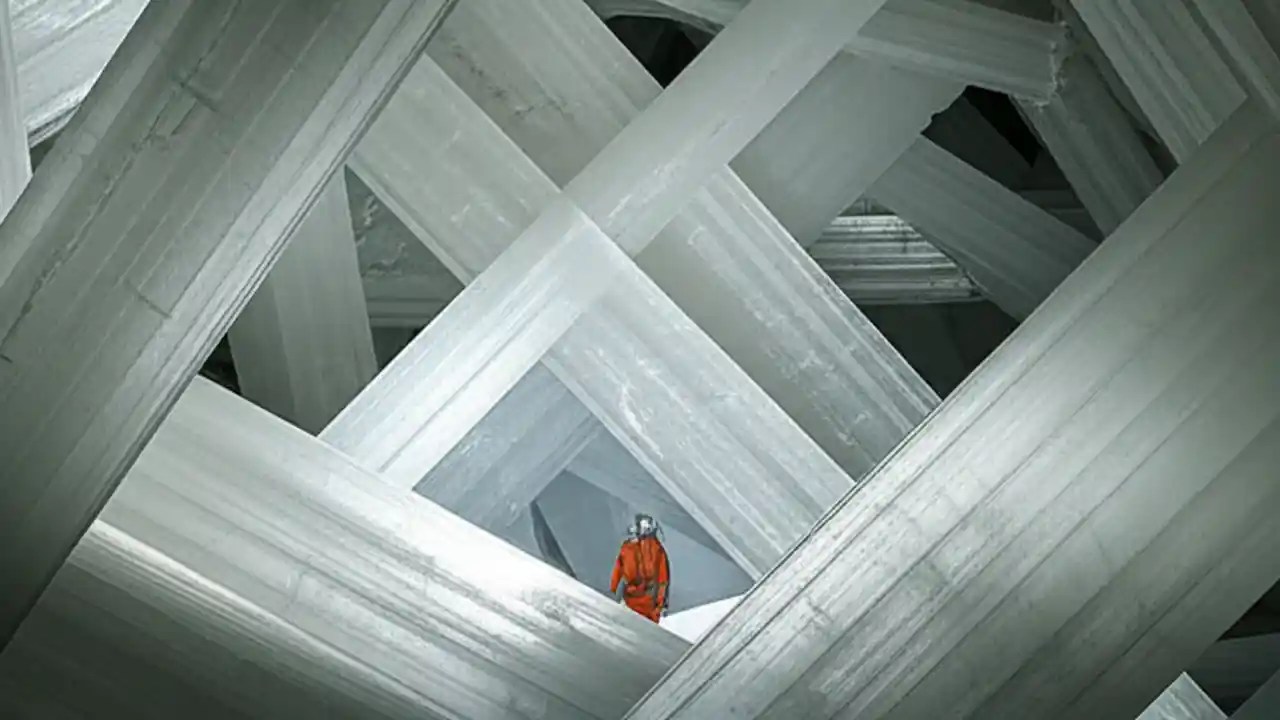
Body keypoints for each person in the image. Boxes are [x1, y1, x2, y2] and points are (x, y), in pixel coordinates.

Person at [610, 513, 670, 623]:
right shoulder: (629, 548)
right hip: (634, 602)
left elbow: (663, 581)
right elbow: (618, 570)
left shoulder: (656, 551)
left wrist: (659, 607)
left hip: (645, 605)